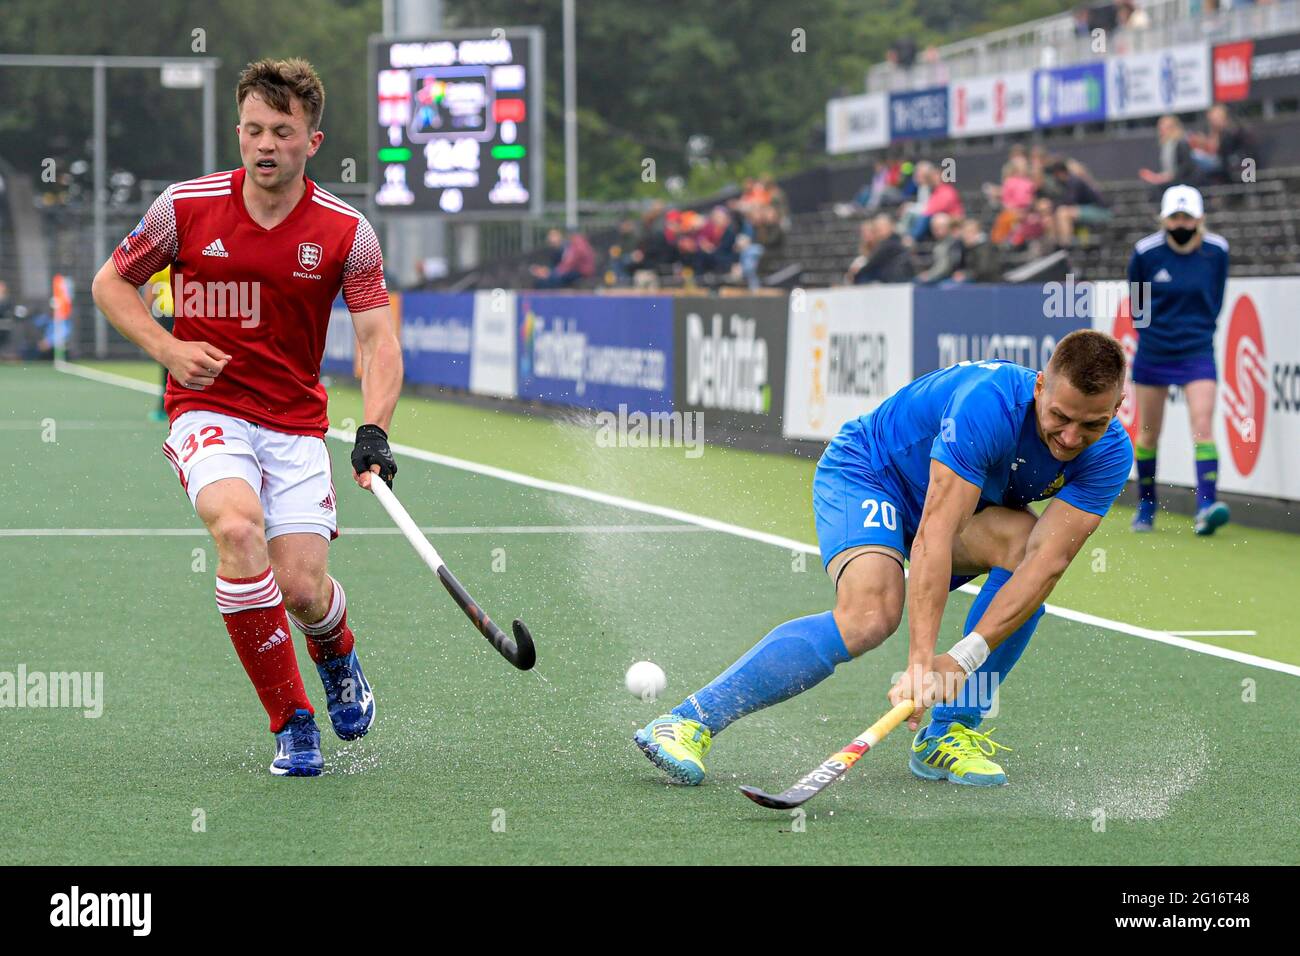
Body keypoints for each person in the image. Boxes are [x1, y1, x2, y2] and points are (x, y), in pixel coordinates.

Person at [635, 330, 1133, 787]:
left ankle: (947, 734)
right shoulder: (989, 404)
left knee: (1025, 553)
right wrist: (920, 663)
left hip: (964, 506)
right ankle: (686, 721)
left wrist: (962, 658)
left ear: (1118, 406)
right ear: (1041, 387)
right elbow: (935, 535)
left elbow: (1047, 563)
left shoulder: (1110, 453)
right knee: (872, 615)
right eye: (1059, 418)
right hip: (873, 473)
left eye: (1091, 423)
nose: (1071, 438)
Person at [91, 58, 402, 777]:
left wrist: (374, 429)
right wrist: (168, 347)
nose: (265, 145)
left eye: (282, 132)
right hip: (210, 409)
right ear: (239, 131)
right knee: (235, 529)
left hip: (296, 425)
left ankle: (337, 654)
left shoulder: (346, 231)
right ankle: (293, 722)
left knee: (302, 591)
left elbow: (377, 338)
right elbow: (113, 283)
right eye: (254, 130)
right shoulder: (185, 206)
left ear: (311, 142)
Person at [1126, 185, 1231, 536]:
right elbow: (1137, 306)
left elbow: (1214, 300)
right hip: (1155, 351)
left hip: (1197, 350)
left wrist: (1197, 331)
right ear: (1164, 219)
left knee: (1203, 425)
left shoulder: (1217, 251)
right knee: (1147, 434)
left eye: (1187, 217)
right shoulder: (1145, 253)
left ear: (1200, 219)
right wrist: (1155, 336)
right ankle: (1146, 505)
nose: (1180, 223)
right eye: (1174, 217)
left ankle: (1206, 506)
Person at [1049, 160, 1112, 247]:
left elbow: (1070, 202)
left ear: (1060, 173)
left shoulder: (1075, 181)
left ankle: (1065, 247)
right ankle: (1057, 245)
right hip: (1086, 209)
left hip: (1101, 211)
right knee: (1055, 214)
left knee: (1063, 213)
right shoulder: (1066, 183)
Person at [143, 265, 173, 422]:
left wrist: (145, 317)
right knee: (171, 361)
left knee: (168, 361)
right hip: (181, 313)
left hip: (172, 314)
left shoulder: (164, 259)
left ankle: (164, 407)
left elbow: (150, 288)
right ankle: (167, 406)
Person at [1140, 115, 1199, 194]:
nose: (1162, 131)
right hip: (1173, 181)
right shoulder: (1166, 146)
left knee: (1157, 190)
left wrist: (1170, 176)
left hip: (1184, 182)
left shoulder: (1181, 143)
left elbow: (1187, 166)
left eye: (1165, 128)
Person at [916, 213, 962, 284]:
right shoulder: (936, 242)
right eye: (934, 228)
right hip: (939, 276)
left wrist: (929, 275)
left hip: (948, 278)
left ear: (948, 227)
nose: (937, 231)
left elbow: (945, 266)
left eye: (940, 227)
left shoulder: (954, 243)